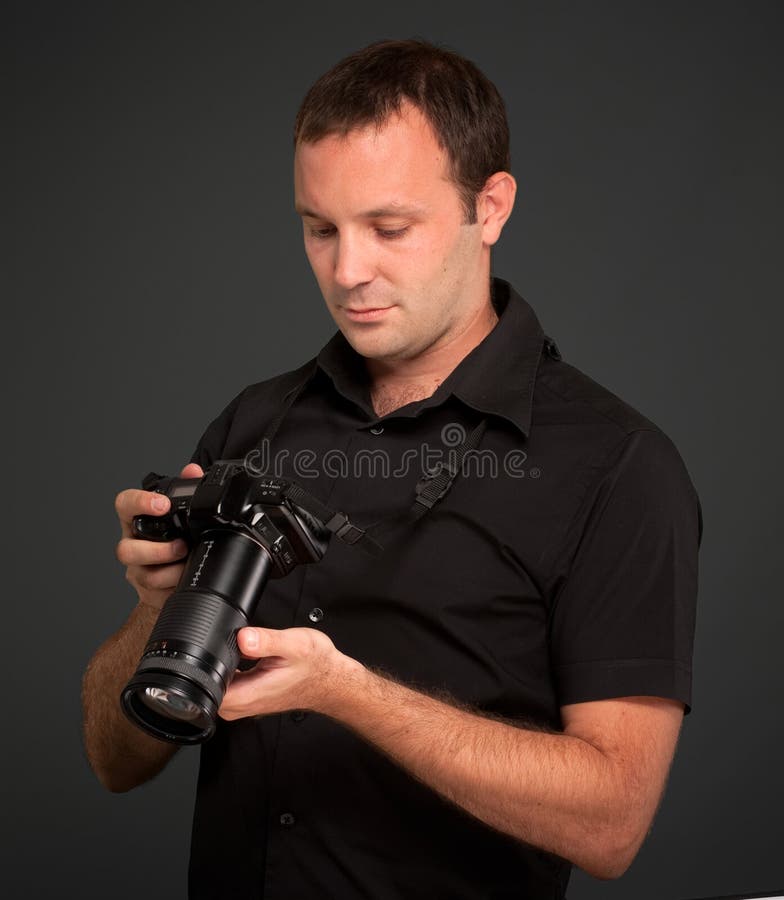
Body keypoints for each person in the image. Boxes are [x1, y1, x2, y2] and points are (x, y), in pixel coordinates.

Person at [82, 39, 702, 899]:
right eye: (320, 229)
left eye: (389, 228)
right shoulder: (256, 421)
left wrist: (351, 695)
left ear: (490, 208)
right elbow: (115, 761)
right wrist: (157, 609)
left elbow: (612, 823)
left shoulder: (619, 465)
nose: (348, 271)